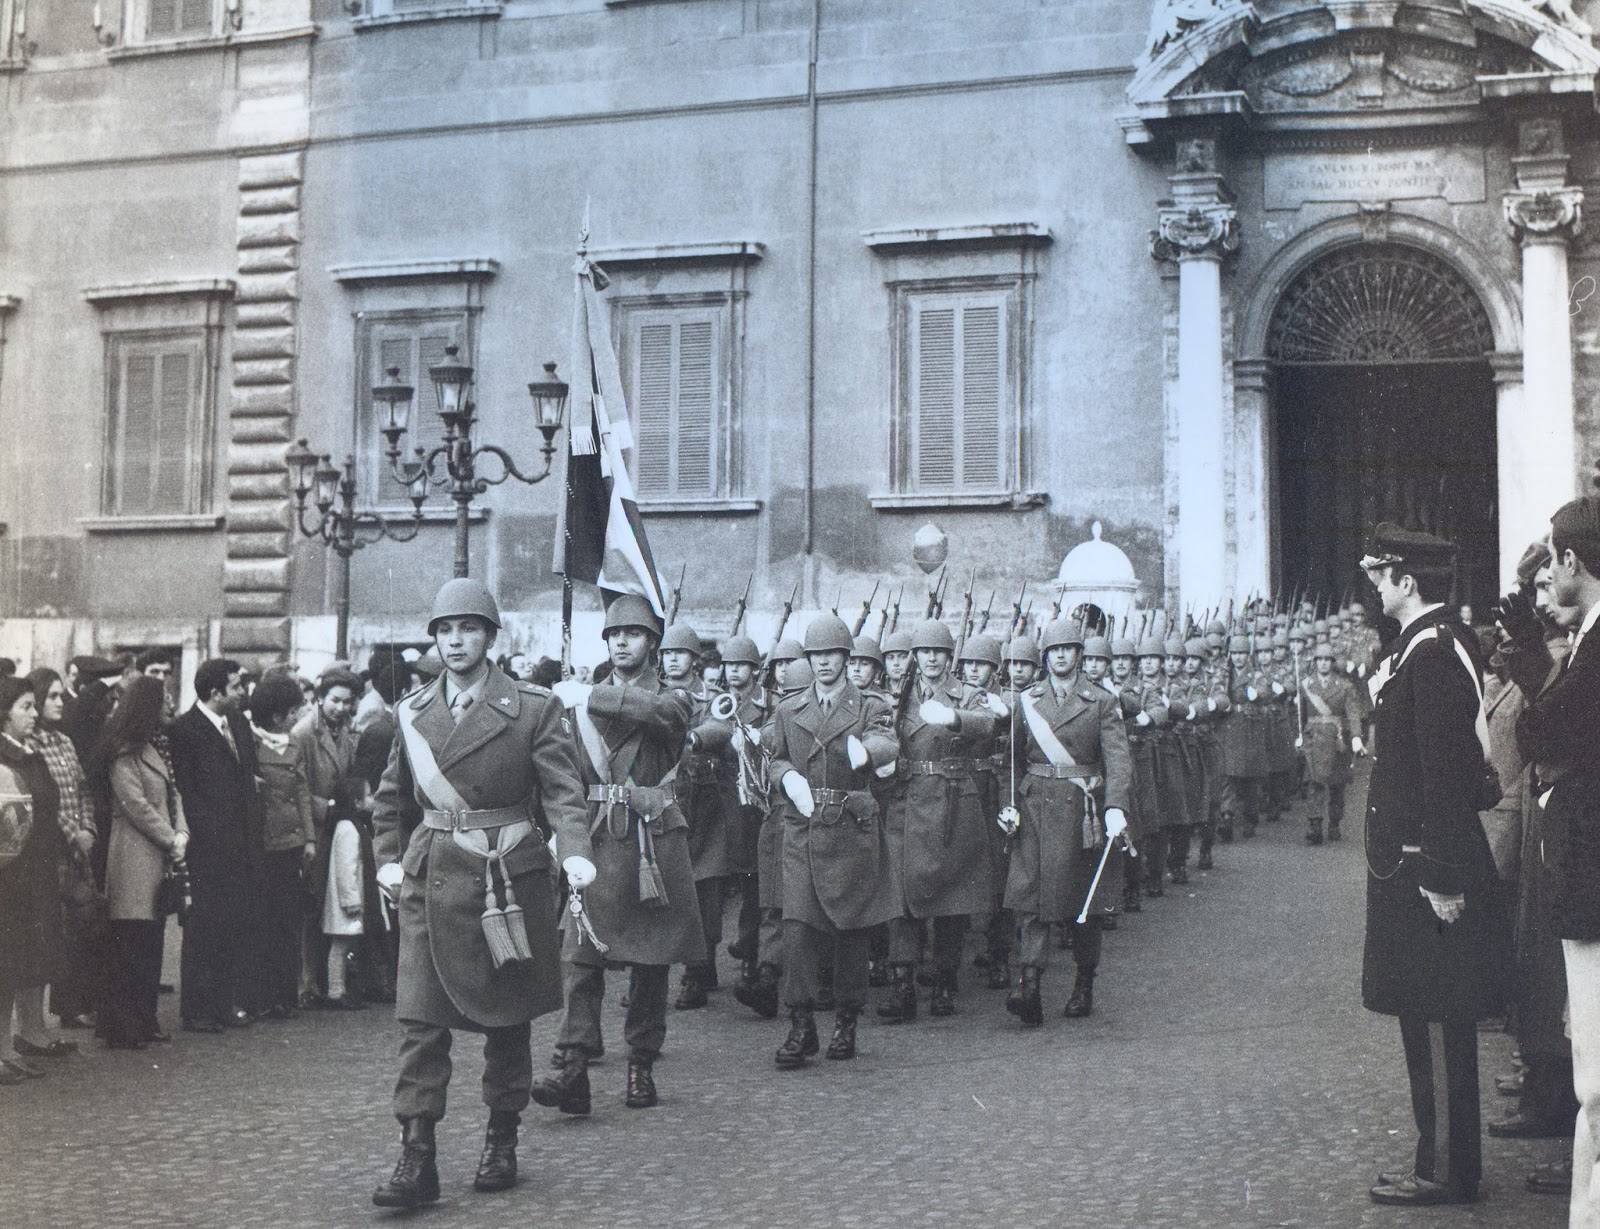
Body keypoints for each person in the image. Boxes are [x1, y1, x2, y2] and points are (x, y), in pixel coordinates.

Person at [370, 578, 592, 1208]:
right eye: (444, 630)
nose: (455, 641)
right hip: (432, 876)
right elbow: (389, 801)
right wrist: (389, 860)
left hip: (507, 879)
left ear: (491, 637)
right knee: (420, 1021)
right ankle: (418, 1154)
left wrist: (574, 852)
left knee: (507, 1018)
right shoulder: (411, 713)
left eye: (468, 628)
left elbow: (563, 793)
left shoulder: (533, 706)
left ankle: (502, 1136)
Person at [1360, 523, 1507, 1207]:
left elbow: (1447, 775)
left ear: (1406, 580)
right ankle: (1439, 1156)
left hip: (1429, 865)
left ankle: (1448, 1168)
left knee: (1440, 1015)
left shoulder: (1434, 654)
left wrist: (1442, 874)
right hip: (1418, 863)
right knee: (1423, 1009)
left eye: (1381, 573)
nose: (1374, 585)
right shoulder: (1423, 648)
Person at [533, 594, 701, 1113]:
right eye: (613, 634)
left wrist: (585, 695)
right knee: (578, 956)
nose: (621, 642)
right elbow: (562, 772)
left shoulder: (675, 696)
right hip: (599, 837)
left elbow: (663, 717)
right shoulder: (582, 699)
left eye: (632, 634)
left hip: (652, 838)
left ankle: (640, 1064)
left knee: (649, 961)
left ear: (653, 642)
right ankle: (574, 1066)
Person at [1513, 495, 1600, 1226]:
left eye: (1553, 556)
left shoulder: (1596, 650)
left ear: (1573, 561)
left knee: (1596, 1078)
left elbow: (1540, 728)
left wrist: (1535, 658)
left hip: (1592, 879)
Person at [765, 614, 899, 1069]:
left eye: (832, 655)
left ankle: (847, 1019)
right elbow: (776, 758)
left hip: (850, 825)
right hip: (803, 826)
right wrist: (787, 780)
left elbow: (886, 738)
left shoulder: (868, 704)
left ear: (846, 658)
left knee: (851, 929)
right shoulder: (788, 708)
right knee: (798, 928)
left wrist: (870, 752)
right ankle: (800, 1024)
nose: (824, 662)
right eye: (816, 655)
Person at [1004, 618, 1131, 1024]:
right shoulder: (1028, 700)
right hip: (1036, 806)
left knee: (1084, 905)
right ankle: (1030, 985)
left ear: (1079, 654)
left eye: (1068, 648)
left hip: (1083, 811)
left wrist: (1115, 806)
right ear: (1045, 655)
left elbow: (1117, 758)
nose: (1060, 655)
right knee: (1031, 900)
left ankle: (1083, 981)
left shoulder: (1101, 701)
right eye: (1053, 649)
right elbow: (1012, 759)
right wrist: (1009, 804)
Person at [878, 619, 1000, 1022]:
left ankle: (946, 978)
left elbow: (989, 723)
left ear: (950, 657)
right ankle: (902, 983)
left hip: (953, 796)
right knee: (901, 895)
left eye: (939, 652)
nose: (931, 658)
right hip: (906, 798)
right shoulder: (897, 697)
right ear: (915, 656)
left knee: (952, 893)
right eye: (924, 651)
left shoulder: (966, 693)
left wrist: (953, 717)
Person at [167, 657, 259, 1033]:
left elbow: (247, 779)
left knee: (231, 926)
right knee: (203, 929)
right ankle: (196, 1009)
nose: (242, 692)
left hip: (240, 845)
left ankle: (223, 1004)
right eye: (236, 686)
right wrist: (210, 837)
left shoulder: (237, 722)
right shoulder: (184, 730)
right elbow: (188, 793)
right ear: (214, 691)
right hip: (208, 848)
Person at [101, 677, 187, 1050]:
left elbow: (173, 795)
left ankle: (144, 1018)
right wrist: (173, 837)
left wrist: (182, 833)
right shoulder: (124, 753)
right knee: (132, 945)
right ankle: (127, 1024)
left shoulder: (153, 747)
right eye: (163, 699)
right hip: (134, 856)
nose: (169, 704)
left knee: (151, 944)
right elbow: (136, 805)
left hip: (157, 854)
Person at [659, 623, 738, 1011]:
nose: (672, 659)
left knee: (704, 889)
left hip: (706, 803)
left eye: (680, 653)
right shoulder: (652, 694)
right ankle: (652, 971)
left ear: (694, 659)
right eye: (667, 653)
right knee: (663, 890)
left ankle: (697, 968)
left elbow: (721, 727)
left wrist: (694, 737)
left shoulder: (715, 698)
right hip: (663, 801)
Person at [25, 668, 101, 1032]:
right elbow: (45, 800)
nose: (59, 702)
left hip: (77, 853)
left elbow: (83, 788)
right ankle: (34, 1021)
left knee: (81, 926)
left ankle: (70, 1006)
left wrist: (88, 827)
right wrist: (75, 834)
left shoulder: (65, 742)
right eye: (52, 696)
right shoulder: (32, 743)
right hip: (53, 851)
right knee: (47, 934)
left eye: (60, 695)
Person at [0, 676, 66, 1082]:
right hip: (8, 876)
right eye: (26, 706)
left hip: (33, 874)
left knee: (15, 966)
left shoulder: (29, 754)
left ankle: (6, 1049)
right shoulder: (5, 758)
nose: (34, 713)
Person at [247, 674, 315, 1020]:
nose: (296, 719)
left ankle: (285, 995)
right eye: (292, 713)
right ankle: (262, 995)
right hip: (262, 843)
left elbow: (301, 790)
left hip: (290, 842)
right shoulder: (250, 744)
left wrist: (309, 838)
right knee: (263, 921)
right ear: (275, 716)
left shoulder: (294, 745)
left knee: (289, 921)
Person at [293, 666, 361, 1006]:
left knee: (329, 904)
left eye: (346, 702)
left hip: (337, 825)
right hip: (315, 826)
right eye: (334, 700)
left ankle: (320, 979)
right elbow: (298, 786)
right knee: (310, 903)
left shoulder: (346, 730)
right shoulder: (305, 732)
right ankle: (306, 984)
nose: (340, 707)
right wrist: (321, 813)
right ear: (320, 699)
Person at [1298, 640, 1365, 845]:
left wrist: (1356, 737)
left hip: (1337, 740)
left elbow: (1353, 713)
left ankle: (1334, 822)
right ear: (1315, 662)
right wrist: (1298, 734)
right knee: (1314, 783)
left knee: (1336, 785)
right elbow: (1299, 714)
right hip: (1314, 738)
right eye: (1320, 660)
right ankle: (1315, 824)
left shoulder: (1345, 686)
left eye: (1327, 660)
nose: (1324, 664)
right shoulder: (1306, 685)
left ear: (1332, 662)